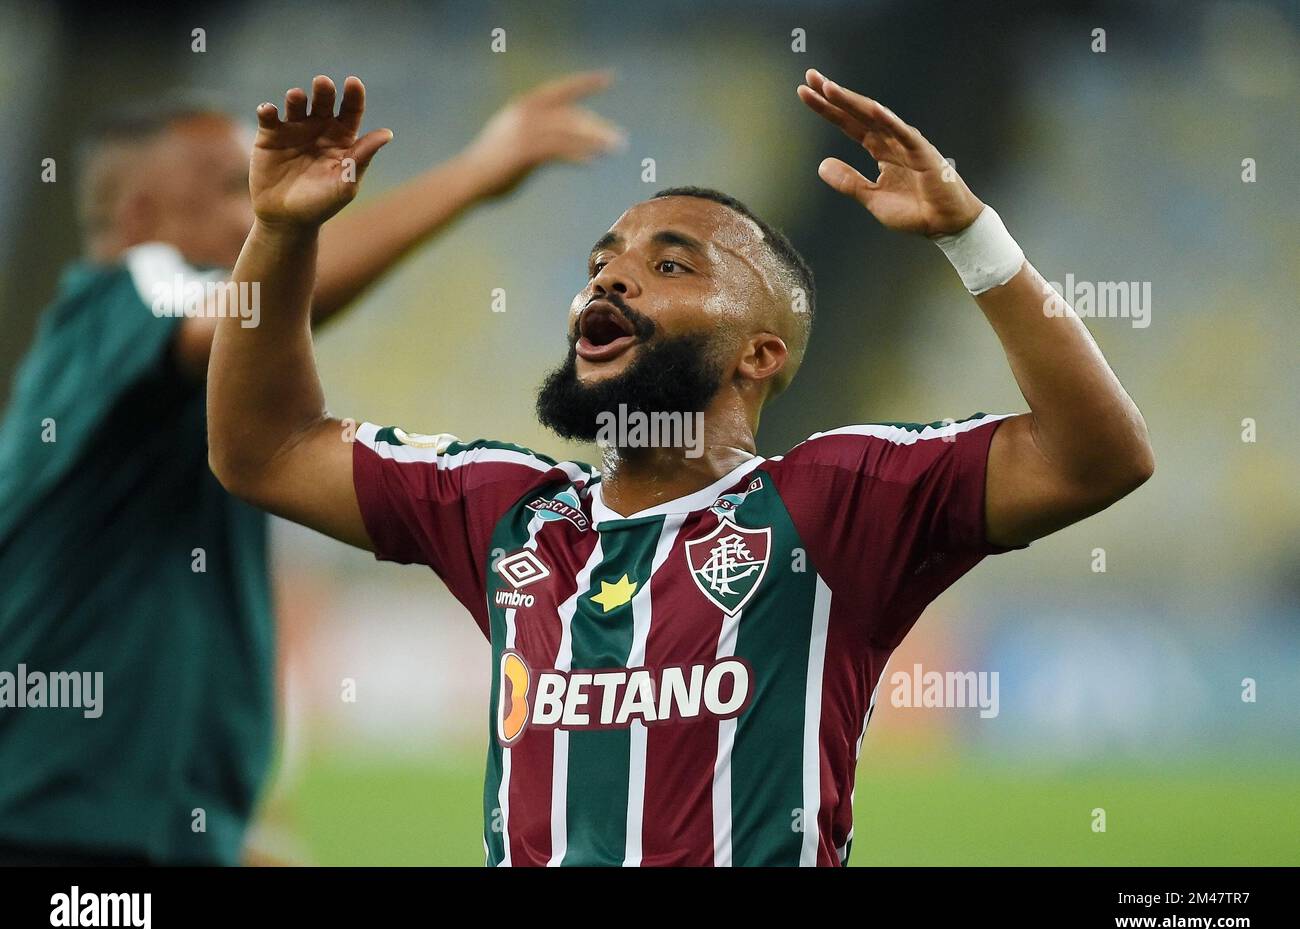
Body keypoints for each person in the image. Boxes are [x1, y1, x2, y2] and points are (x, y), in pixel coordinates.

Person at [206, 71, 1154, 867]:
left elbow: (1098, 457)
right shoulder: (509, 514)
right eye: (602, 261)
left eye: (672, 266)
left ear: (760, 355)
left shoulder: (833, 506)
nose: (610, 279)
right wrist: (281, 236)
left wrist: (972, 237)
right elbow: (264, 449)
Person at [0, 72, 622, 865]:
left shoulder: (178, 408)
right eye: (232, 188)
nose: (253, 205)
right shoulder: (122, 294)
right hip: (57, 848)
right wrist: (470, 175)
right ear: (141, 215)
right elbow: (243, 315)